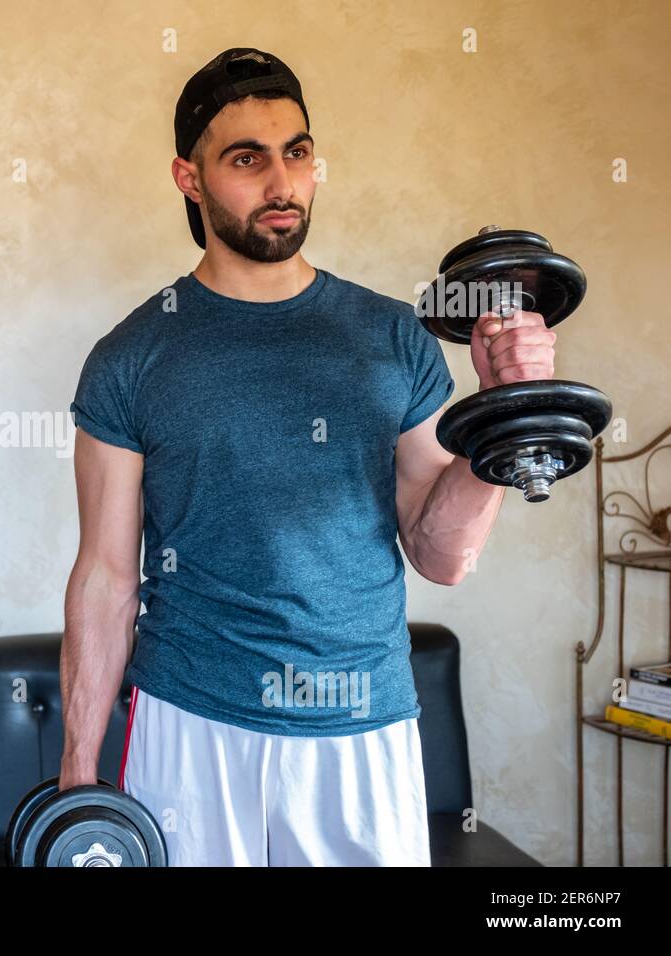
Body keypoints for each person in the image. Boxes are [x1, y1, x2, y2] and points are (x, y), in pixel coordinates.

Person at [60, 48, 558, 865]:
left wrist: (497, 417)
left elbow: (442, 556)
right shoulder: (133, 356)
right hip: (191, 724)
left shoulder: (393, 337)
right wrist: (78, 770)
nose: (282, 182)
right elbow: (106, 575)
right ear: (190, 179)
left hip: (360, 726)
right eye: (247, 158)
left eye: (296, 152)